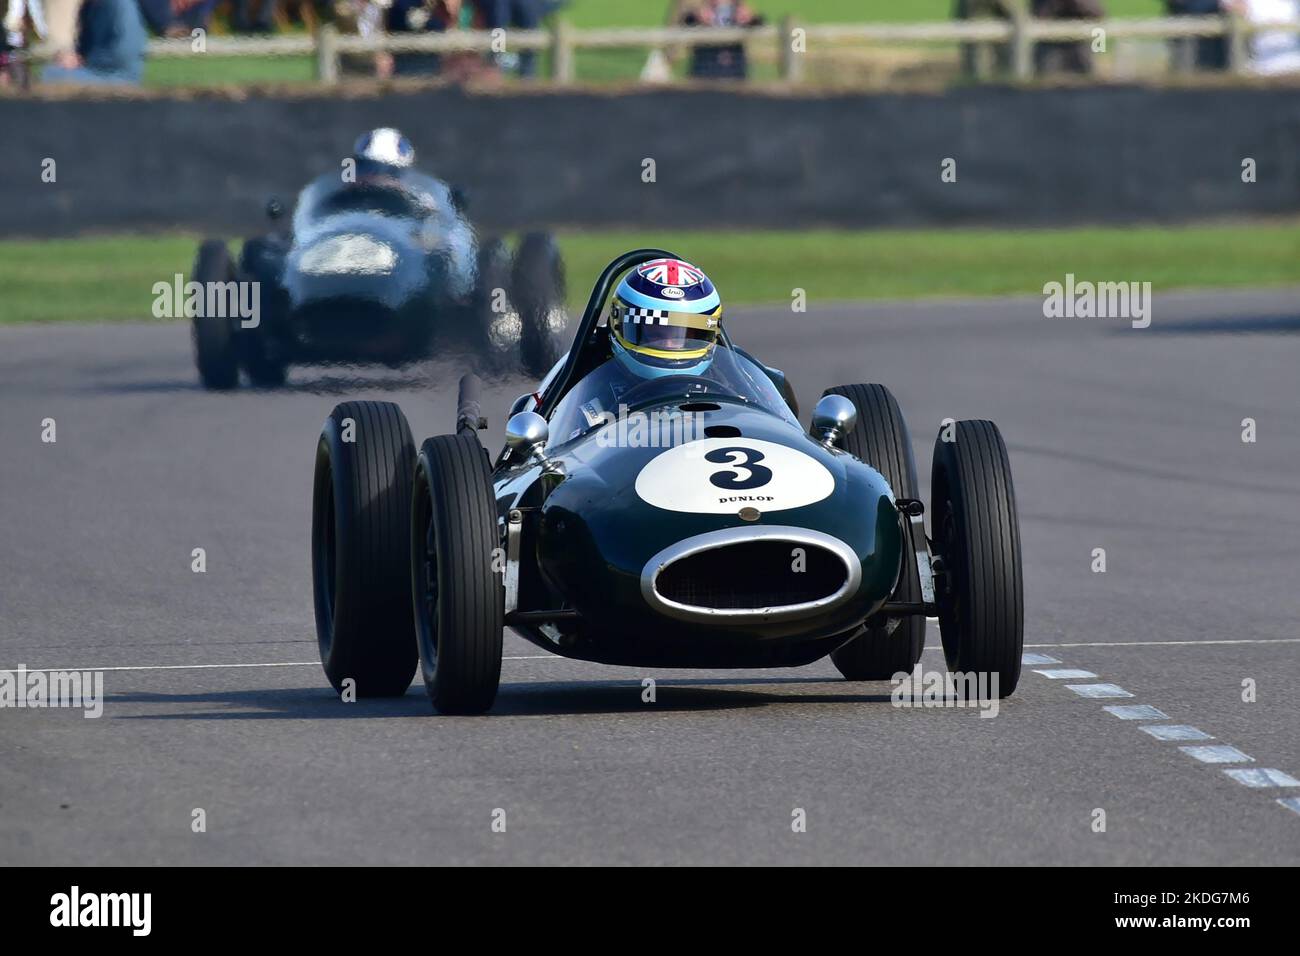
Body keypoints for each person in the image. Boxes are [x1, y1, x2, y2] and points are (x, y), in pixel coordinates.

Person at [41, 0, 145, 84]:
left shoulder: (119, 6)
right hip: (94, 71)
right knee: (52, 72)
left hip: (119, 76)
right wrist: (73, 58)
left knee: (52, 76)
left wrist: (86, 61)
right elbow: (83, 45)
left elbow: (125, 53)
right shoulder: (89, 7)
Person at [680, 0, 764, 80]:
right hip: (704, 72)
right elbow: (686, 22)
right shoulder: (701, 12)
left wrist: (750, 18)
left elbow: (759, 23)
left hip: (735, 72)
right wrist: (697, 17)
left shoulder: (738, 12)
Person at [1031, 0, 1105, 75]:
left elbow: (1097, 13)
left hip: (1079, 49)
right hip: (1051, 50)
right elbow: (1039, 15)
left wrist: (1079, 4)